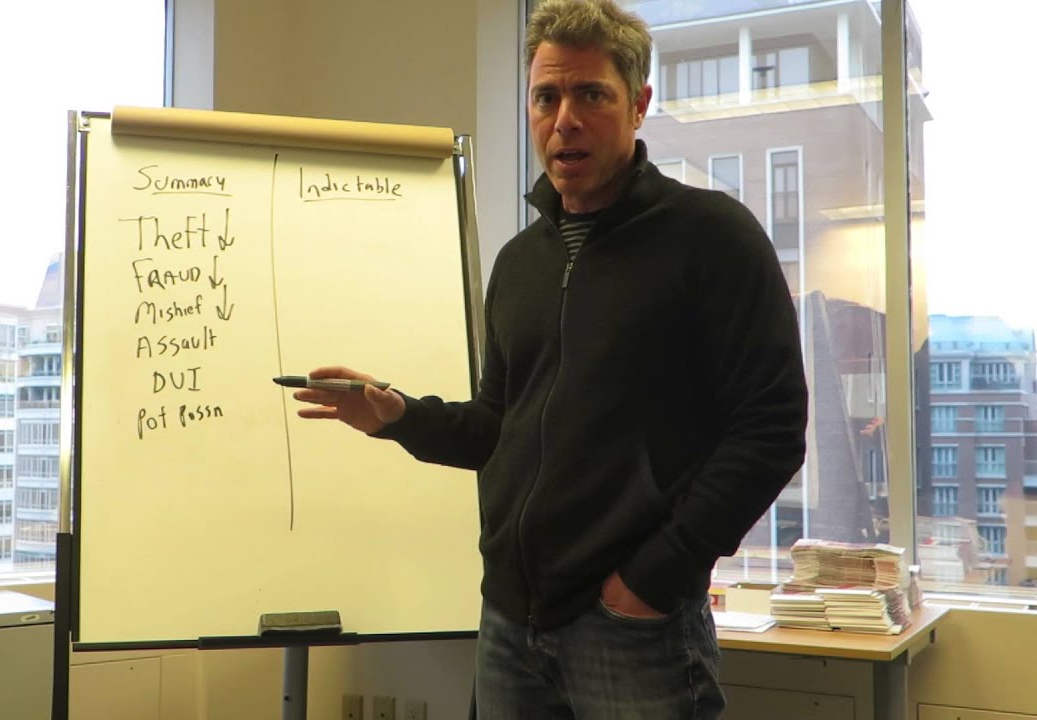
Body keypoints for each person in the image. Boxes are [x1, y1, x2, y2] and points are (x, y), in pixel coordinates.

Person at [291, 0, 808, 717]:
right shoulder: (520, 264)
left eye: (591, 94)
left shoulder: (712, 238)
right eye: (546, 97)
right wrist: (398, 416)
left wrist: (654, 578)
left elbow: (771, 429)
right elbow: (499, 427)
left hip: (633, 628)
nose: (565, 119)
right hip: (510, 621)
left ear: (638, 105)